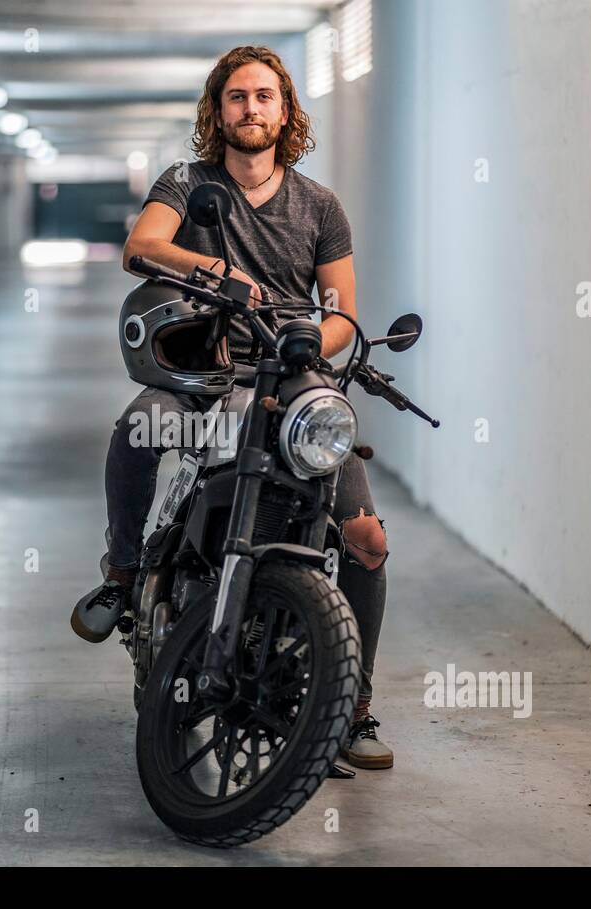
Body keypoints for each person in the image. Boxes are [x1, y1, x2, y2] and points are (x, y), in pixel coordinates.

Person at [70, 46, 392, 770]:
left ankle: (354, 707)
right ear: (218, 111)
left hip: (292, 372)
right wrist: (213, 268)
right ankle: (124, 572)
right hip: (205, 370)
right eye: (238, 97)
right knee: (135, 428)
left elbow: (343, 313)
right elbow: (141, 246)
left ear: (286, 112)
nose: (253, 109)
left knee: (365, 538)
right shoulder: (188, 182)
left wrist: (315, 342)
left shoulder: (320, 206)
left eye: (266, 97)